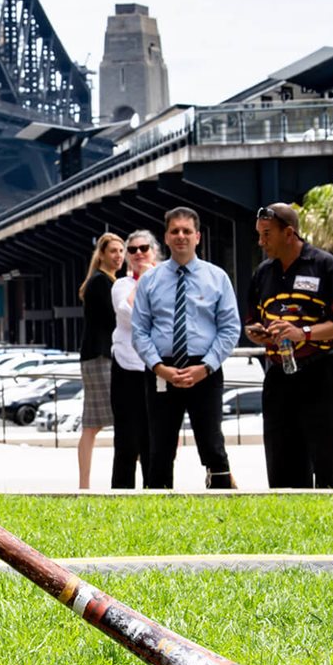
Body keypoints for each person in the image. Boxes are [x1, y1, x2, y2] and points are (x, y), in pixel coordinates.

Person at [244, 204, 333, 488]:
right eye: (259, 235)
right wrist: (257, 334)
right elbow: (251, 323)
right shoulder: (263, 273)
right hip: (277, 373)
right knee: (281, 456)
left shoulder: (325, 265)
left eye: (267, 235)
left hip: (321, 372)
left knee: (328, 458)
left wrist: (303, 333)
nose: (261, 242)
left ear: (289, 233)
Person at [132, 207, 241, 490]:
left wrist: (206, 367)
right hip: (161, 370)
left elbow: (230, 328)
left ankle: (222, 504)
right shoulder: (150, 281)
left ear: (198, 237)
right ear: (166, 238)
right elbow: (140, 330)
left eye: (187, 231)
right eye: (175, 231)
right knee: (159, 449)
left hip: (204, 369)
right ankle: (157, 510)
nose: (181, 236)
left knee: (213, 445)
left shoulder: (217, 278)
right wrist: (159, 367)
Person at [110, 229, 160, 488]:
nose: (139, 254)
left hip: (156, 367)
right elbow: (128, 312)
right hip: (127, 366)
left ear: (154, 252)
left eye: (144, 249)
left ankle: (156, 491)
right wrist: (143, 280)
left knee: (153, 438)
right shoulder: (122, 284)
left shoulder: (165, 283)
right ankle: (120, 494)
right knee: (126, 440)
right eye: (133, 250)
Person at [77, 232, 124, 489]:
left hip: (100, 356)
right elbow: (116, 317)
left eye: (121, 251)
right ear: (102, 254)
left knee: (93, 424)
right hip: (99, 357)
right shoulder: (101, 283)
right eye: (113, 251)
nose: (118, 256)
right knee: (98, 423)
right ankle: (84, 484)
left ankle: (85, 485)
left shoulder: (109, 282)